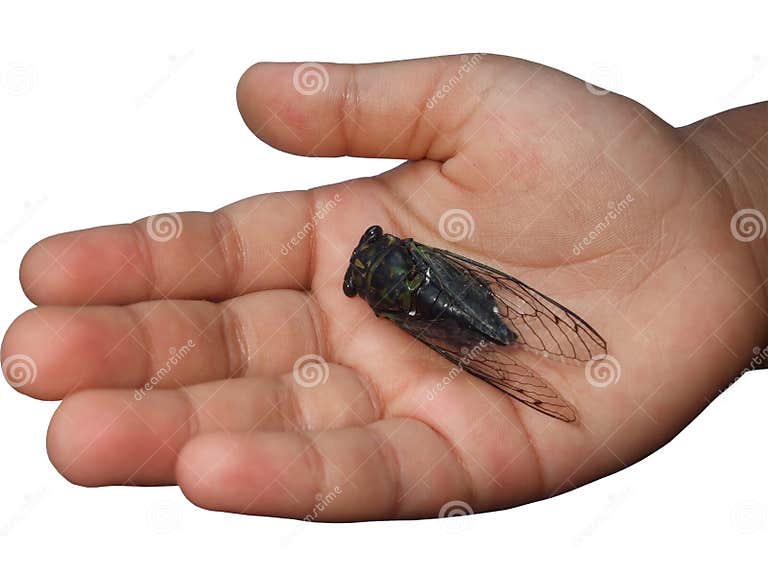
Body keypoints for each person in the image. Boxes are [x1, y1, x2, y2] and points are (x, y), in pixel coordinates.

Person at [2, 54, 766, 520]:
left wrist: (723, 215)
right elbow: (449, 313)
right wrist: (726, 210)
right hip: (454, 300)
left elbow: (462, 296)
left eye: (371, 258)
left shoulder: (395, 292)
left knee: (486, 316)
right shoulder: (408, 275)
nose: (370, 261)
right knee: (482, 327)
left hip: (462, 297)